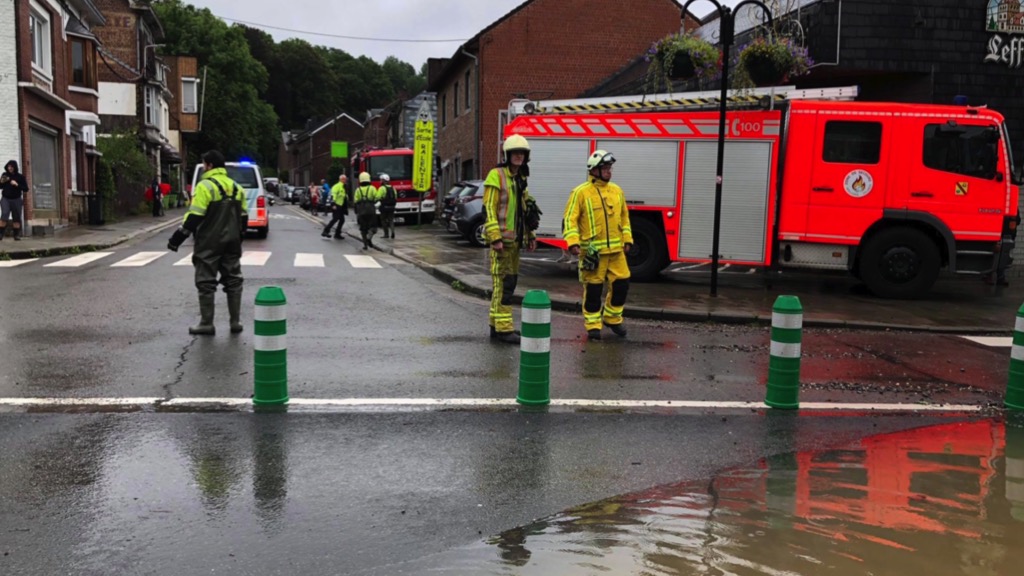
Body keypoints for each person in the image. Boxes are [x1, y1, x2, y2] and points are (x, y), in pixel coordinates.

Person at [166, 150, 248, 336]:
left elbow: (195, 215)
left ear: (209, 165)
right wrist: (239, 237)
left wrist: (177, 238)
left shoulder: (205, 187)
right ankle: (235, 322)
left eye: (204, 165)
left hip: (209, 241)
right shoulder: (237, 187)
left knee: (205, 281)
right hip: (232, 241)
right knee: (234, 279)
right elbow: (243, 217)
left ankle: (206, 323)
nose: (203, 168)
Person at [563, 149, 632, 341]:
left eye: (610, 167)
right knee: (593, 290)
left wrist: (627, 239)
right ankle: (593, 325)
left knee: (622, 284)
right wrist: (573, 242)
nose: (609, 171)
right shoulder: (581, 193)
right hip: (593, 253)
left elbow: (625, 218)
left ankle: (612, 317)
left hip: (616, 252)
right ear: (594, 170)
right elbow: (570, 219)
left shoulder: (617, 191)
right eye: (605, 167)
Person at [483, 135, 538, 344]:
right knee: (503, 285)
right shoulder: (496, 175)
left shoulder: (520, 179)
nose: (518, 156)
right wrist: (495, 237)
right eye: (515, 152)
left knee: (508, 283)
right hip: (502, 243)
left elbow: (524, 211)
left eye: (522, 153)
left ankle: (496, 326)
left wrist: (531, 235)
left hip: (514, 242)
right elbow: (489, 208)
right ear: (507, 155)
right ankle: (504, 329)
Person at [0, 160, 28, 241]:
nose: (10, 168)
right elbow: (0, 186)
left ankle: (16, 235)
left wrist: (17, 184)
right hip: (6, 198)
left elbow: (25, 189)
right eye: (8, 166)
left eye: (11, 167)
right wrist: (2, 181)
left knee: (16, 217)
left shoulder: (20, 177)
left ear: (15, 167)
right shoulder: (5, 175)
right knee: (4, 214)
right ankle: (1, 233)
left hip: (16, 199)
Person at [353, 171, 381, 250]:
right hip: (371, 210)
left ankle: (365, 245)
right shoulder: (372, 188)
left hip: (361, 211)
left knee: (363, 229)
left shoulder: (358, 190)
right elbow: (377, 197)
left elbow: (355, 200)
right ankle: (369, 237)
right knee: (374, 227)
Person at [322, 174, 348, 240]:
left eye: (345, 179)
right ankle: (325, 231)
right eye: (344, 179)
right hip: (336, 205)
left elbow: (343, 196)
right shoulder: (337, 186)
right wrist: (333, 204)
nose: (345, 180)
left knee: (342, 220)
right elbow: (333, 195)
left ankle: (337, 234)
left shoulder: (343, 187)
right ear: (341, 179)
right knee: (335, 219)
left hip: (341, 206)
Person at [378, 173, 397, 239]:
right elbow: (395, 197)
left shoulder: (382, 188)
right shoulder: (393, 188)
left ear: (383, 181)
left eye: (381, 180)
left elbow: (378, 197)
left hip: (384, 207)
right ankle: (393, 231)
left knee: (383, 220)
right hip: (392, 207)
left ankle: (386, 234)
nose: (380, 181)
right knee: (391, 220)